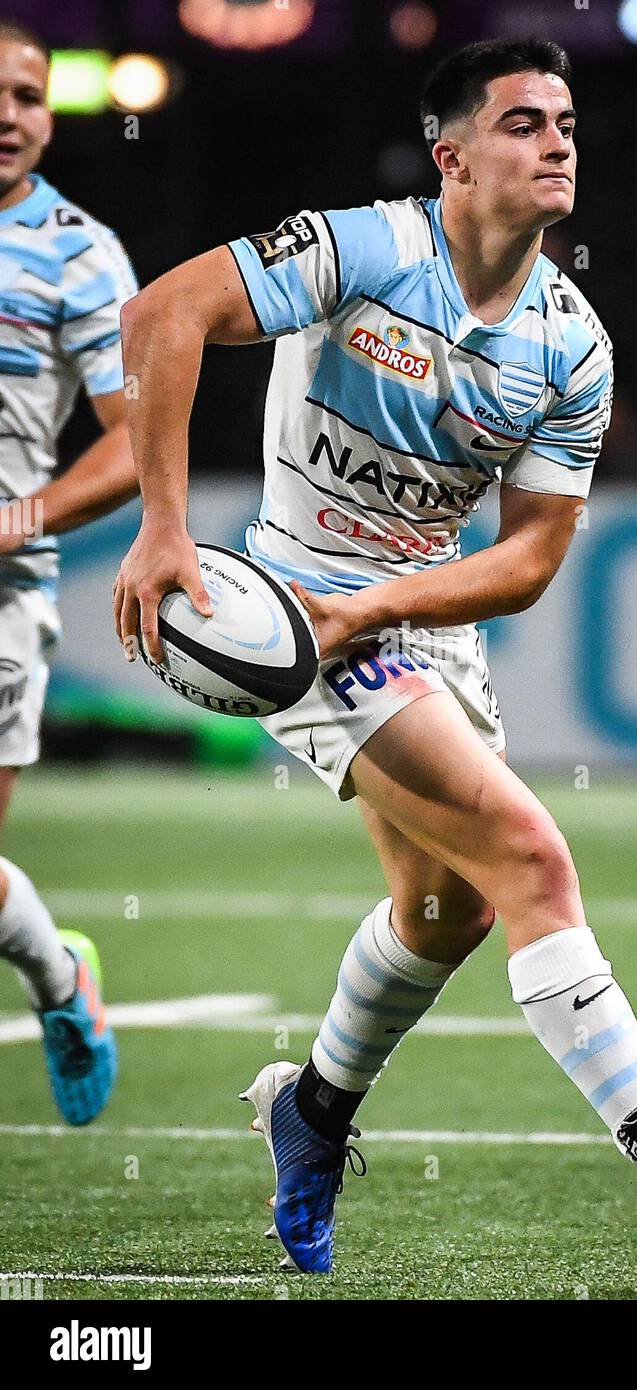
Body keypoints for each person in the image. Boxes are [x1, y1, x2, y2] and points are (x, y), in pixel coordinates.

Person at [114, 38, 637, 1272]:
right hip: (295, 608)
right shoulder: (362, 250)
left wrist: (385, 609)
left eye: (569, 124)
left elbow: (533, 556)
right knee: (533, 851)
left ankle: (311, 1111)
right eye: (527, 123)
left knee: (446, 911)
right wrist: (165, 526)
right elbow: (166, 312)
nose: (559, 144)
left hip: (405, 624)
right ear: (453, 157)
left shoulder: (572, 345)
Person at [0, 19, 136, 1124]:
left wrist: (18, 519)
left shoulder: (79, 250)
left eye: (30, 95)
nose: (12, 113)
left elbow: (135, 442)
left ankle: (60, 979)